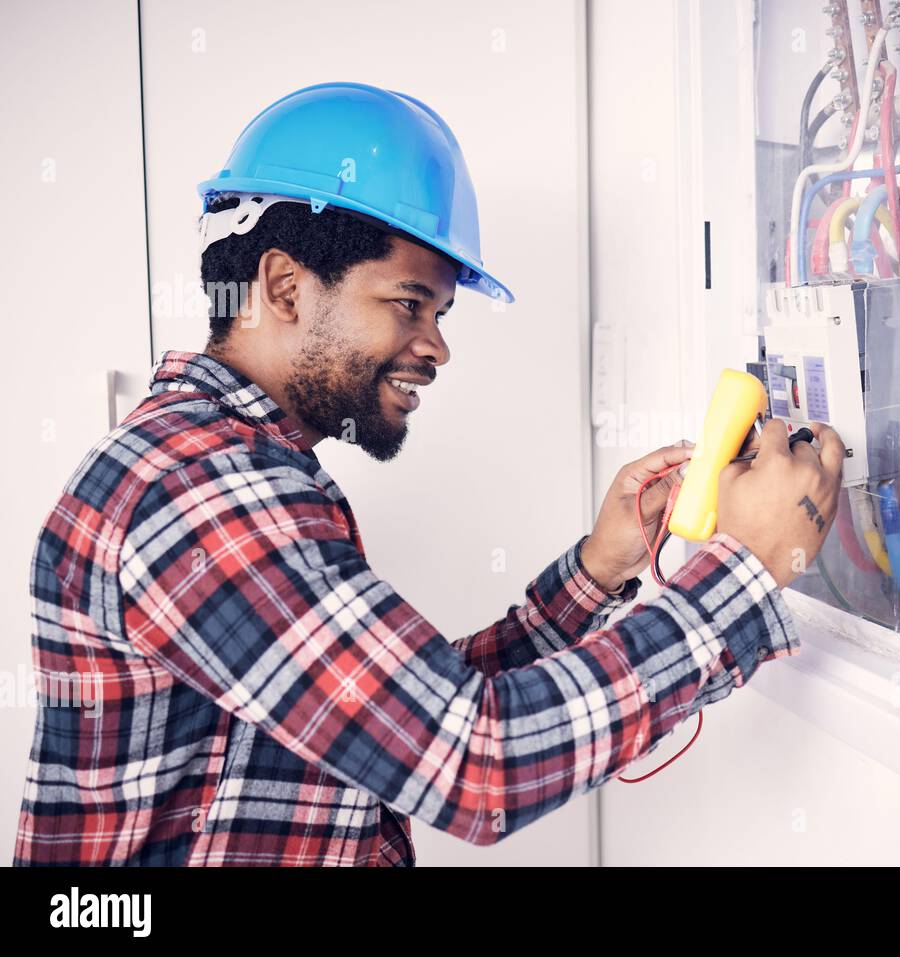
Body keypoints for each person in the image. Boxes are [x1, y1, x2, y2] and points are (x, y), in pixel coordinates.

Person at [13, 82, 843, 866]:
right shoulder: (200, 493)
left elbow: (390, 712)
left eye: (440, 314)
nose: (438, 345)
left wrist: (598, 570)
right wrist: (745, 567)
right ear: (283, 286)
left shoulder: (224, 466)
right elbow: (476, 762)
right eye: (409, 303)